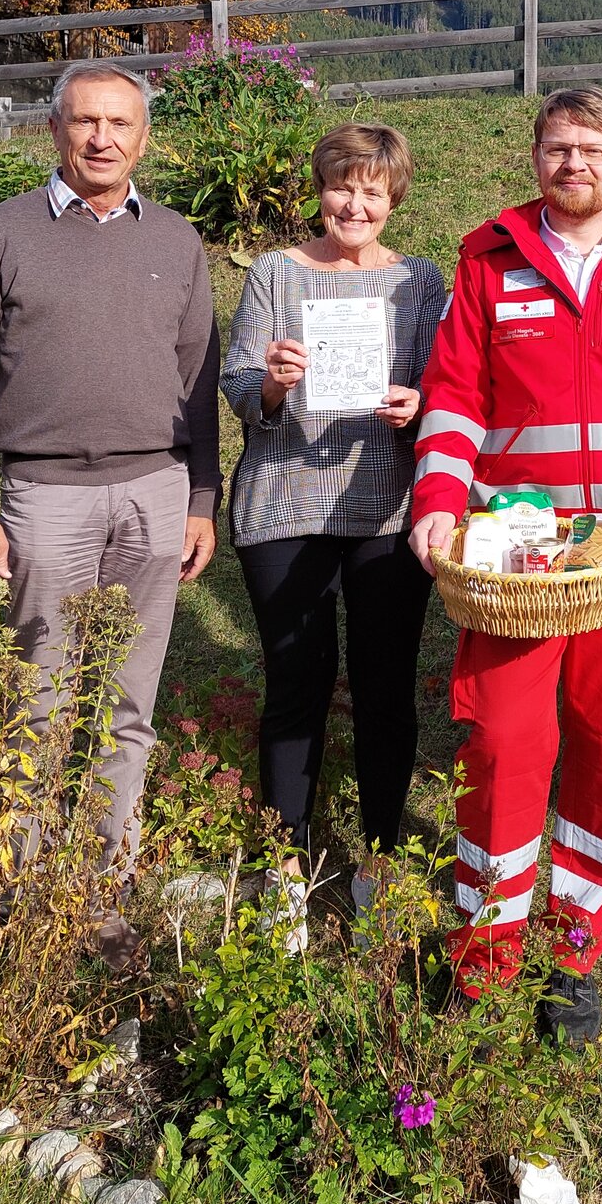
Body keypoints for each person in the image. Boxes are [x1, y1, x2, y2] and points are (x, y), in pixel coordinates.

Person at [409, 85, 602, 1047]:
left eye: (592, 147)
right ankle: (487, 949)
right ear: (535, 158)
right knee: (501, 743)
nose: (573, 162)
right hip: (514, 557)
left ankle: (572, 950)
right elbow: (455, 395)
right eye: (556, 147)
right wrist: (437, 505)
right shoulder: (488, 256)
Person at [0, 61, 221, 971]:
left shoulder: (175, 240)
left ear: (144, 137)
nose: (102, 138)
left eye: (120, 124)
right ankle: (27, 893)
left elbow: (199, 380)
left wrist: (203, 495)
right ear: (55, 129)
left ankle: (105, 886)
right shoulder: (2, 234)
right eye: (85, 121)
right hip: (43, 495)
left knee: (128, 701)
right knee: (39, 699)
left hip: (154, 492)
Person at [220, 124, 444, 948]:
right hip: (285, 506)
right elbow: (240, 384)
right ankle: (286, 867)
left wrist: (418, 406)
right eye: (342, 188)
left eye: (372, 192)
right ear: (320, 191)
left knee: (386, 688)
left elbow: (445, 387)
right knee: (295, 683)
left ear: (393, 200)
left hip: (385, 507)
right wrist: (273, 387)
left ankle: (378, 858)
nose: (355, 204)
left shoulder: (422, 283)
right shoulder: (277, 274)